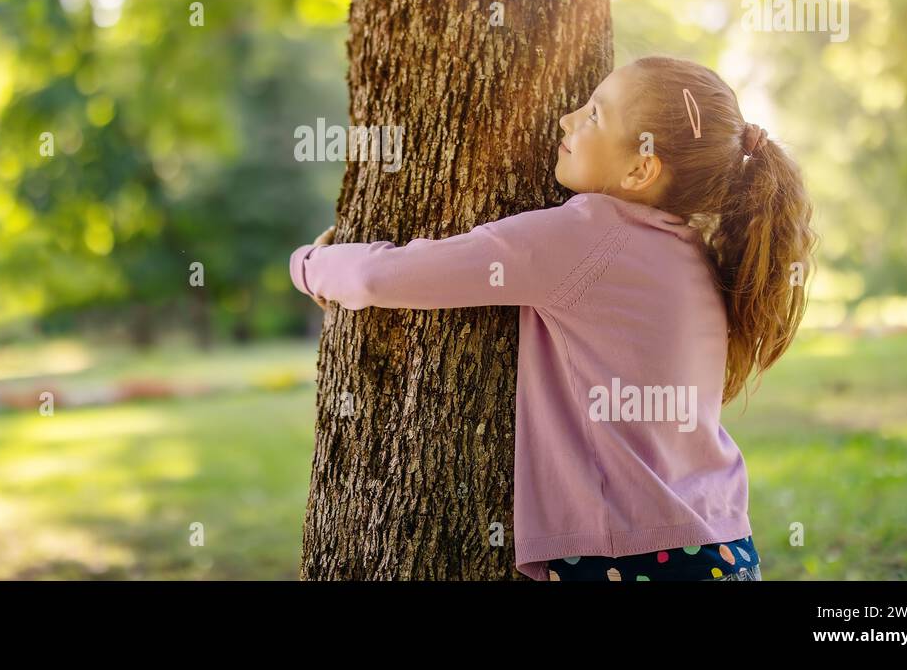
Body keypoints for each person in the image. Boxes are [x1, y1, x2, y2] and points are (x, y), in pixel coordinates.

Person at [288, 55, 819, 580]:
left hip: (631, 552)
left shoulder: (585, 235)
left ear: (640, 168)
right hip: (722, 541)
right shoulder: (697, 255)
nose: (567, 119)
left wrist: (310, 264)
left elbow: (385, 278)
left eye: (594, 114)